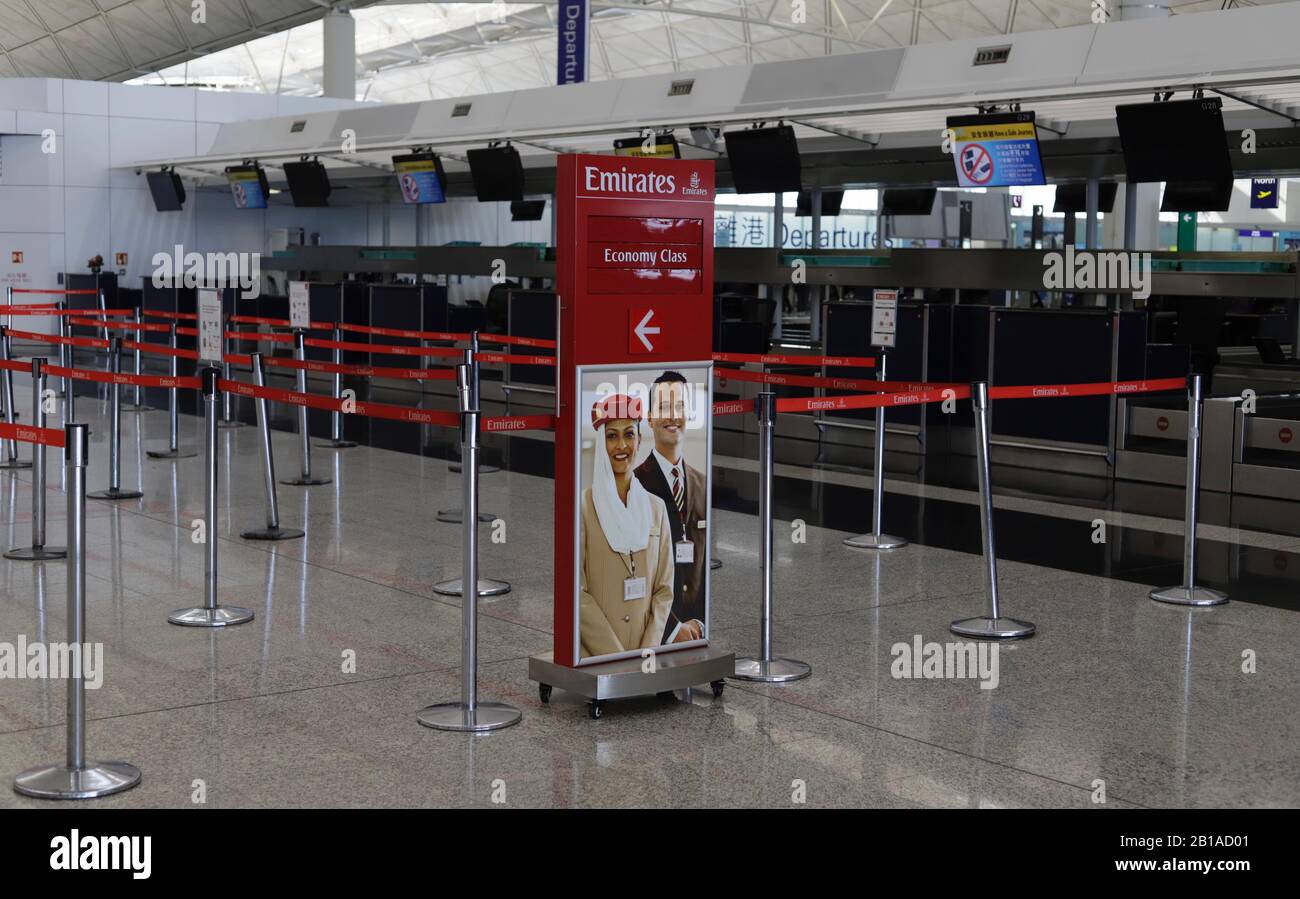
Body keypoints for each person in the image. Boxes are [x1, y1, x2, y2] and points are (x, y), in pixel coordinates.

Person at [579, 393, 677, 660]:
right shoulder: (584, 507)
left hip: (646, 649)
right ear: (601, 443)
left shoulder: (656, 507)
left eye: (629, 435)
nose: (621, 445)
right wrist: (616, 656)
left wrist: (648, 650)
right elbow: (577, 592)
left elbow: (664, 589)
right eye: (611, 436)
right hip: (597, 652)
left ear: (640, 440)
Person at [634, 371, 707, 645]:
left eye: (679, 406)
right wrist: (674, 629)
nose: (672, 416)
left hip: (696, 626)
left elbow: (702, 567)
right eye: (664, 407)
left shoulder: (702, 483)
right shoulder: (636, 484)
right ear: (650, 417)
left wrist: (698, 623)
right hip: (653, 629)